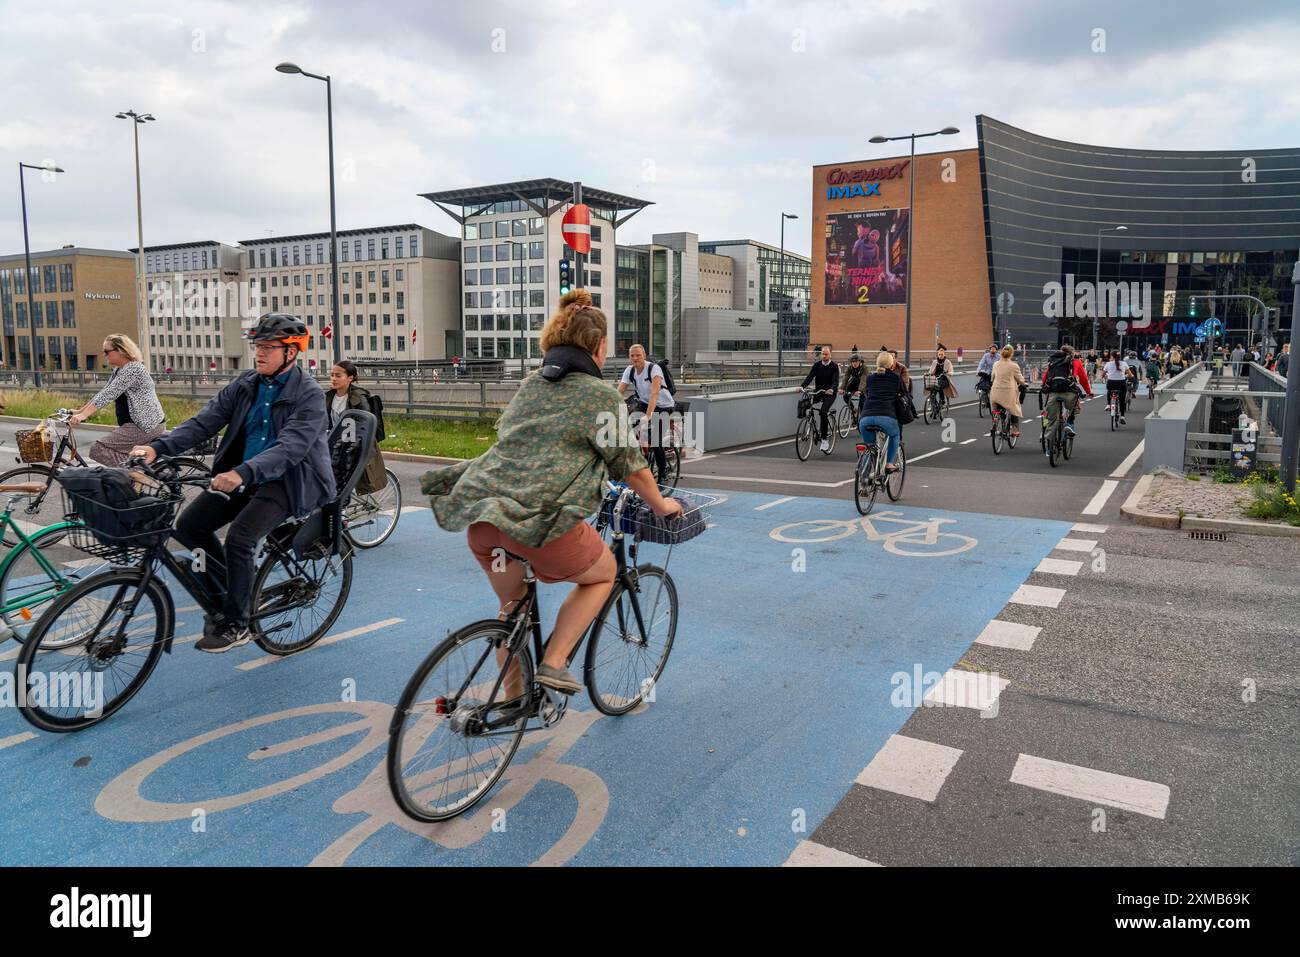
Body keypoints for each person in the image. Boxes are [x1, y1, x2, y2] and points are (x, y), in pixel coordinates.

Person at [421, 289, 681, 696]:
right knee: (602, 575)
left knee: (510, 611)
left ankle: (512, 702)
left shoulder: (530, 385)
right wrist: (663, 505)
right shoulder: (599, 396)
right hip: (540, 523)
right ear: (598, 347)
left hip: (486, 520)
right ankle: (555, 663)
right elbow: (633, 467)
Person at [129, 314, 336, 653]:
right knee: (190, 526)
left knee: (240, 538)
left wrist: (242, 473)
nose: (260, 353)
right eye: (257, 346)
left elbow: (291, 447)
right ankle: (231, 592)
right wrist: (156, 448)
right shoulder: (246, 384)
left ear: (292, 352)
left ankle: (239, 624)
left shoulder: (309, 395)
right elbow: (203, 423)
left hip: (290, 480)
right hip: (244, 474)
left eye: (269, 347)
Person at [68, 334, 166, 466]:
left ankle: (138, 474)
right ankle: (134, 479)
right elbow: (103, 392)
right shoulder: (119, 369)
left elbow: (110, 394)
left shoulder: (132, 369)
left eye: (107, 351)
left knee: (98, 449)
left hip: (145, 425)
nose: (104, 355)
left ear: (121, 351)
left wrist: (84, 415)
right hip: (138, 425)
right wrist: (79, 411)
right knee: (126, 457)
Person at [326, 359, 387, 495]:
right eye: (332, 375)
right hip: (336, 444)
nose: (333, 379)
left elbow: (365, 422)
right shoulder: (328, 397)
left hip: (355, 444)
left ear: (350, 378)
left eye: (338, 375)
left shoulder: (358, 397)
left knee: (340, 480)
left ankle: (342, 508)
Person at [617, 343, 676, 481]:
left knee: (655, 440)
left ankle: (663, 472)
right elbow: (619, 391)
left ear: (644, 355)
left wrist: (648, 416)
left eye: (638, 355)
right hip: (643, 403)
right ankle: (639, 460)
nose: (635, 358)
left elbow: (654, 394)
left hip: (663, 406)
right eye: (632, 355)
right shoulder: (630, 370)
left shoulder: (653, 369)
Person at [858, 352, 902, 471]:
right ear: (891, 364)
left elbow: (867, 393)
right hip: (886, 416)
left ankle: (864, 480)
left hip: (865, 417)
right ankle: (889, 464)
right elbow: (904, 394)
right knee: (895, 434)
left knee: (869, 447)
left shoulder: (870, 378)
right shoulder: (896, 378)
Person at [800, 345, 839, 452]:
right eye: (823, 353)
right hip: (818, 392)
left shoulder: (834, 366)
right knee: (806, 404)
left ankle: (824, 439)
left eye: (826, 354)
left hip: (829, 393)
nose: (824, 356)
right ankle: (809, 422)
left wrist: (832, 389)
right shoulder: (817, 365)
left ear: (830, 354)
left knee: (823, 412)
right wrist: (802, 386)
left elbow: (835, 381)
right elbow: (810, 376)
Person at [1041, 344, 1082, 441]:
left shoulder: (1053, 360)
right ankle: (1069, 424)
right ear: (1072, 353)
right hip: (1068, 390)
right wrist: (1088, 392)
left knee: (1049, 411)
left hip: (1053, 389)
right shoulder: (1075, 361)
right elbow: (1083, 378)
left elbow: (1047, 375)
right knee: (1074, 405)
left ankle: (1045, 433)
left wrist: (1044, 386)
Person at [989, 345, 1027, 437]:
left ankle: (994, 423)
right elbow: (1020, 379)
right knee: (1014, 408)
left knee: (995, 409)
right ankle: (1014, 430)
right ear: (1011, 354)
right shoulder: (1014, 366)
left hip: (995, 392)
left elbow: (992, 378)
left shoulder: (996, 364)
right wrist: (1024, 384)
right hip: (1008, 393)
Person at [1103, 351, 1130, 424]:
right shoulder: (1124, 363)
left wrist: (1105, 376)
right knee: (1122, 400)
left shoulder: (1108, 364)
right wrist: (1131, 376)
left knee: (1109, 390)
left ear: (1112, 356)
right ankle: (1122, 417)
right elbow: (1129, 374)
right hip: (1121, 383)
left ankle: (1108, 404)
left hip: (1111, 383)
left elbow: (1103, 374)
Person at [840, 351, 866, 422]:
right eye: (852, 362)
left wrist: (860, 391)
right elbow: (846, 378)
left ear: (860, 362)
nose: (854, 363)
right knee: (845, 396)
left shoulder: (864, 368)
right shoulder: (850, 368)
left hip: (864, 386)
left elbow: (863, 380)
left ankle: (862, 420)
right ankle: (853, 410)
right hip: (854, 384)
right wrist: (842, 388)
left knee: (862, 403)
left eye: (856, 362)